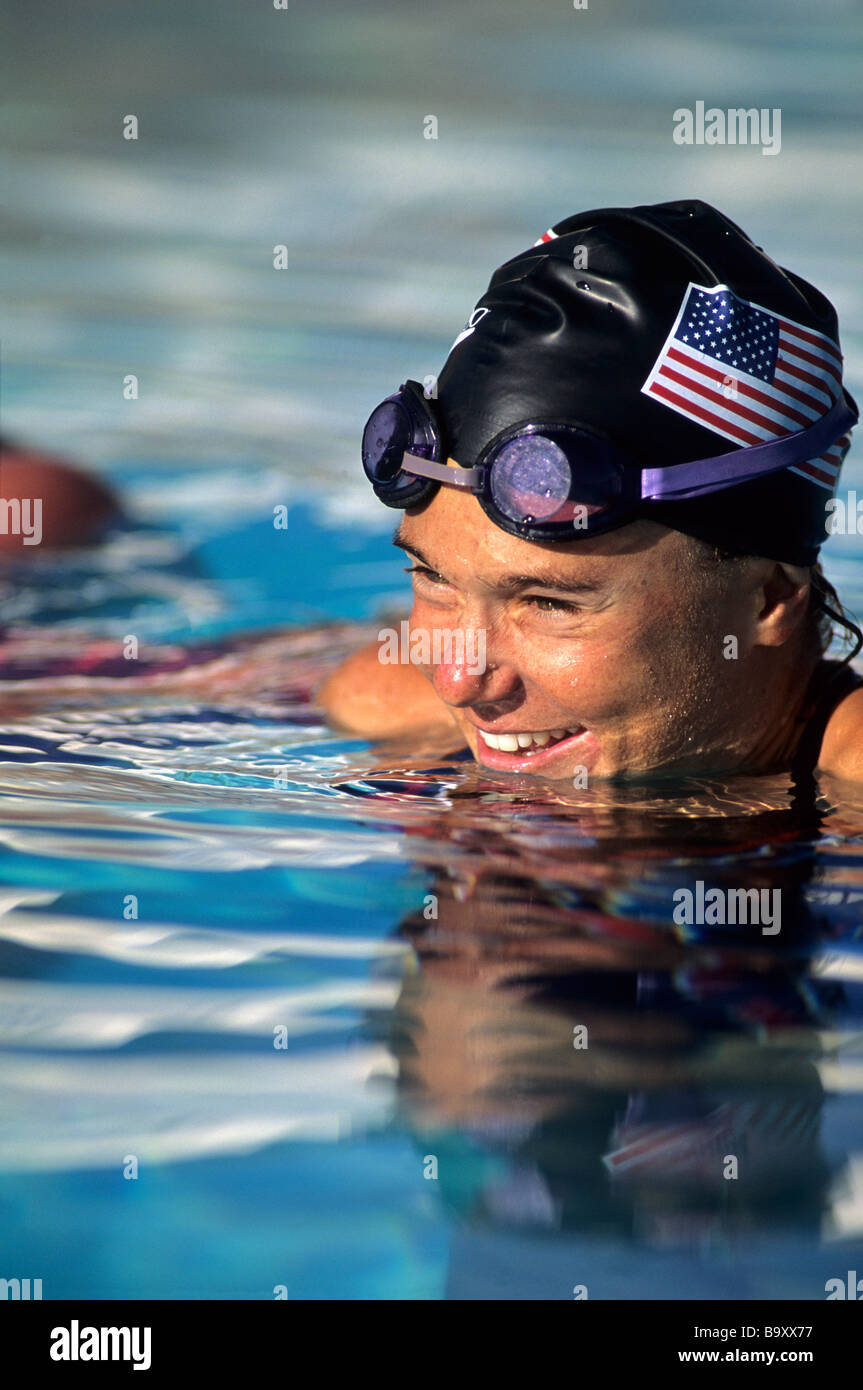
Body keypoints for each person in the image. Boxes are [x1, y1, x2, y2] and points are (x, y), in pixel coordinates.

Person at [316, 199, 863, 783]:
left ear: (768, 600)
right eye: (434, 579)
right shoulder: (378, 707)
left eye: (550, 604)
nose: (457, 682)